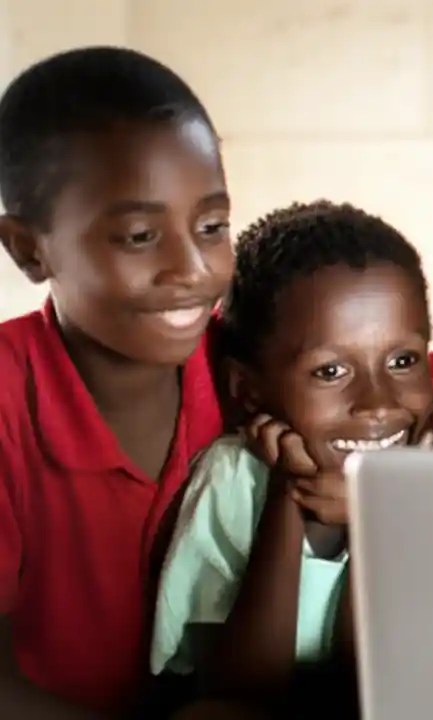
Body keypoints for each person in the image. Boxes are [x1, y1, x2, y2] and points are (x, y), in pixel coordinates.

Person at [0, 47, 231, 717]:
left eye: (212, 226)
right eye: (139, 236)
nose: (191, 268)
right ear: (28, 249)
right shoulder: (9, 398)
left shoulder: (246, 367)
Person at [151, 202, 433, 714]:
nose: (378, 402)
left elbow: (374, 686)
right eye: (330, 372)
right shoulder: (231, 480)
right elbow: (242, 689)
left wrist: (381, 511)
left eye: (402, 361)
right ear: (248, 389)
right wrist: (288, 496)